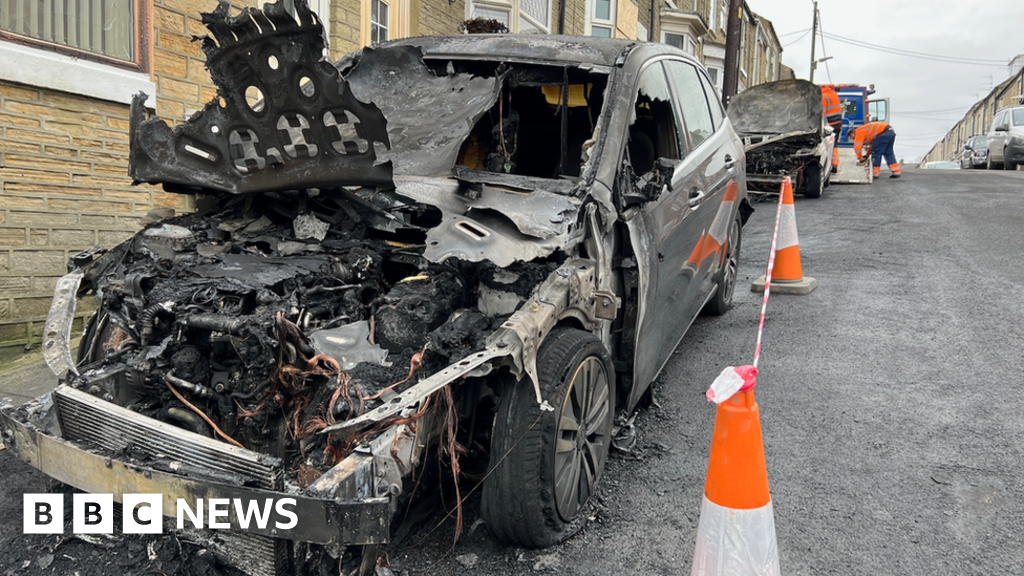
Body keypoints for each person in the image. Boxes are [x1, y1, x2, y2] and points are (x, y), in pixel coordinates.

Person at [821, 85, 842, 172]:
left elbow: (822, 113)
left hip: (830, 123)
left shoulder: (823, 96)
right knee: (834, 144)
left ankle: (826, 166)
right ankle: (835, 164)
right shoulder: (833, 93)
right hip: (838, 123)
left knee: (825, 144)